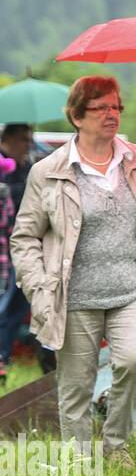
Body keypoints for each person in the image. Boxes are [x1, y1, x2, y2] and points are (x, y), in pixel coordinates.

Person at [10, 77, 136, 468]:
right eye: (102, 108)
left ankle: (116, 445)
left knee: (134, 361)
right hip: (74, 295)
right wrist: (40, 289)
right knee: (76, 385)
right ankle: (79, 463)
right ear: (77, 116)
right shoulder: (48, 171)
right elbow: (24, 237)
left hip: (133, 289)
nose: (112, 115)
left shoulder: (135, 160)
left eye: (116, 107)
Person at [0, 123, 36, 369]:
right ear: (8, 139)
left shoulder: (29, 167)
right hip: (4, 253)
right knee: (3, 307)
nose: (27, 145)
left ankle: (6, 357)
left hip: (23, 251)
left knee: (18, 308)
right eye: (23, 139)